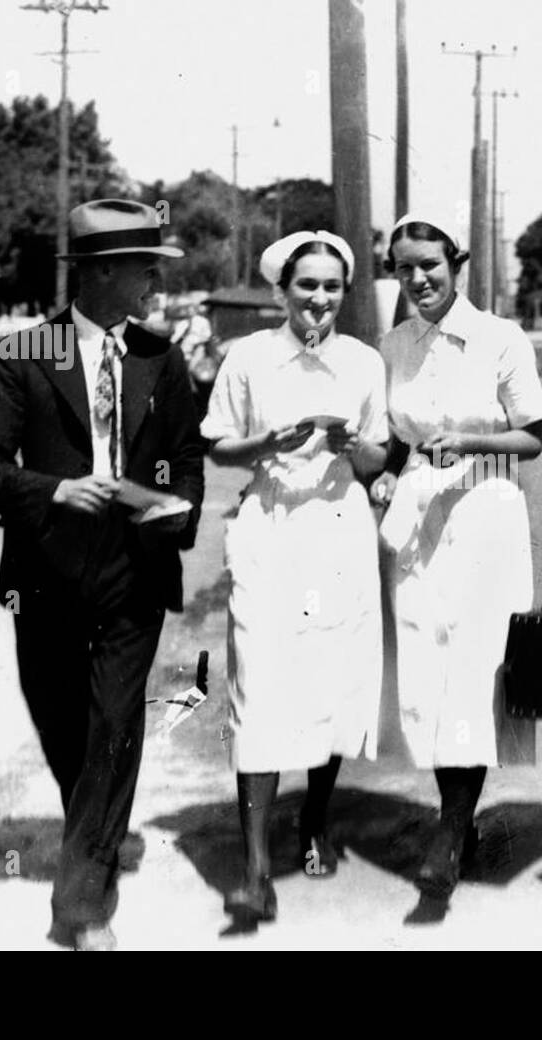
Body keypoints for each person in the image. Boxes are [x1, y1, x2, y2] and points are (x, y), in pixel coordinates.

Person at [0, 199, 205, 951]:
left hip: (134, 572)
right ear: (103, 272)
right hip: (44, 573)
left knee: (114, 731)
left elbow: (188, 463)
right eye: (145, 268)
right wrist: (51, 490)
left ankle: (83, 909)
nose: (153, 281)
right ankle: (93, 848)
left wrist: (169, 509)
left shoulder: (160, 358)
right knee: (65, 732)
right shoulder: (22, 354)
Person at [200, 231, 387, 924]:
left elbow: (376, 460)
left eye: (332, 287)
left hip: (338, 528)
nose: (319, 298)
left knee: (331, 680)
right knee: (259, 682)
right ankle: (254, 871)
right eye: (306, 285)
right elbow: (218, 446)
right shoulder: (248, 358)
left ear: (344, 293)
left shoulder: (363, 363)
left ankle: (314, 818)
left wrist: (354, 446)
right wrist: (265, 443)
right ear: (282, 291)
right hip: (269, 528)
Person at [373, 213, 542, 901]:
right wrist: (389, 472)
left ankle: (449, 831)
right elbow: (393, 441)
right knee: (426, 672)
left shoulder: (501, 339)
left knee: (477, 673)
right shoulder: (391, 346)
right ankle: (456, 819)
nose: (418, 278)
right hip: (419, 518)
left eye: (430, 265)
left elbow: (532, 438)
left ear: (457, 263)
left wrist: (472, 444)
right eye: (404, 267)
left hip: (485, 514)